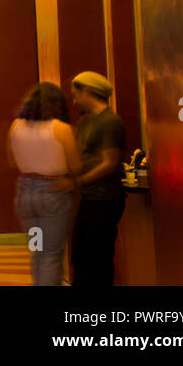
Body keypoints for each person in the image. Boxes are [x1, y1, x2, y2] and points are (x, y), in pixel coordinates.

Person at [8, 82, 80, 285]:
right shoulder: (62, 129)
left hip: (25, 195)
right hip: (53, 195)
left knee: (37, 251)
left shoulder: (16, 126)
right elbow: (75, 167)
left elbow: (12, 160)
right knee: (50, 255)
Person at [68, 70, 126, 286]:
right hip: (88, 198)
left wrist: (79, 181)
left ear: (87, 91)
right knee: (80, 256)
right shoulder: (85, 122)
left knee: (97, 258)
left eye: (76, 95)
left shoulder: (110, 122)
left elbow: (110, 163)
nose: (74, 101)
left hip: (105, 199)